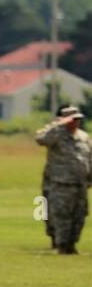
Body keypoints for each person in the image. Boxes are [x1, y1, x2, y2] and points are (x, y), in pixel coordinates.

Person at [36, 105, 91, 254]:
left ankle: (72, 245)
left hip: (81, 184)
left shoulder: (83, 137)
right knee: (61, 215)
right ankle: (61, 245)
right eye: (73, 119)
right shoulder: (56, 135)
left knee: (79, 215)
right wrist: (57, 125)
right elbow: (40, 139)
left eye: (78, 119)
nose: (76, 122)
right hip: (61, 183)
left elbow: (89, 157)